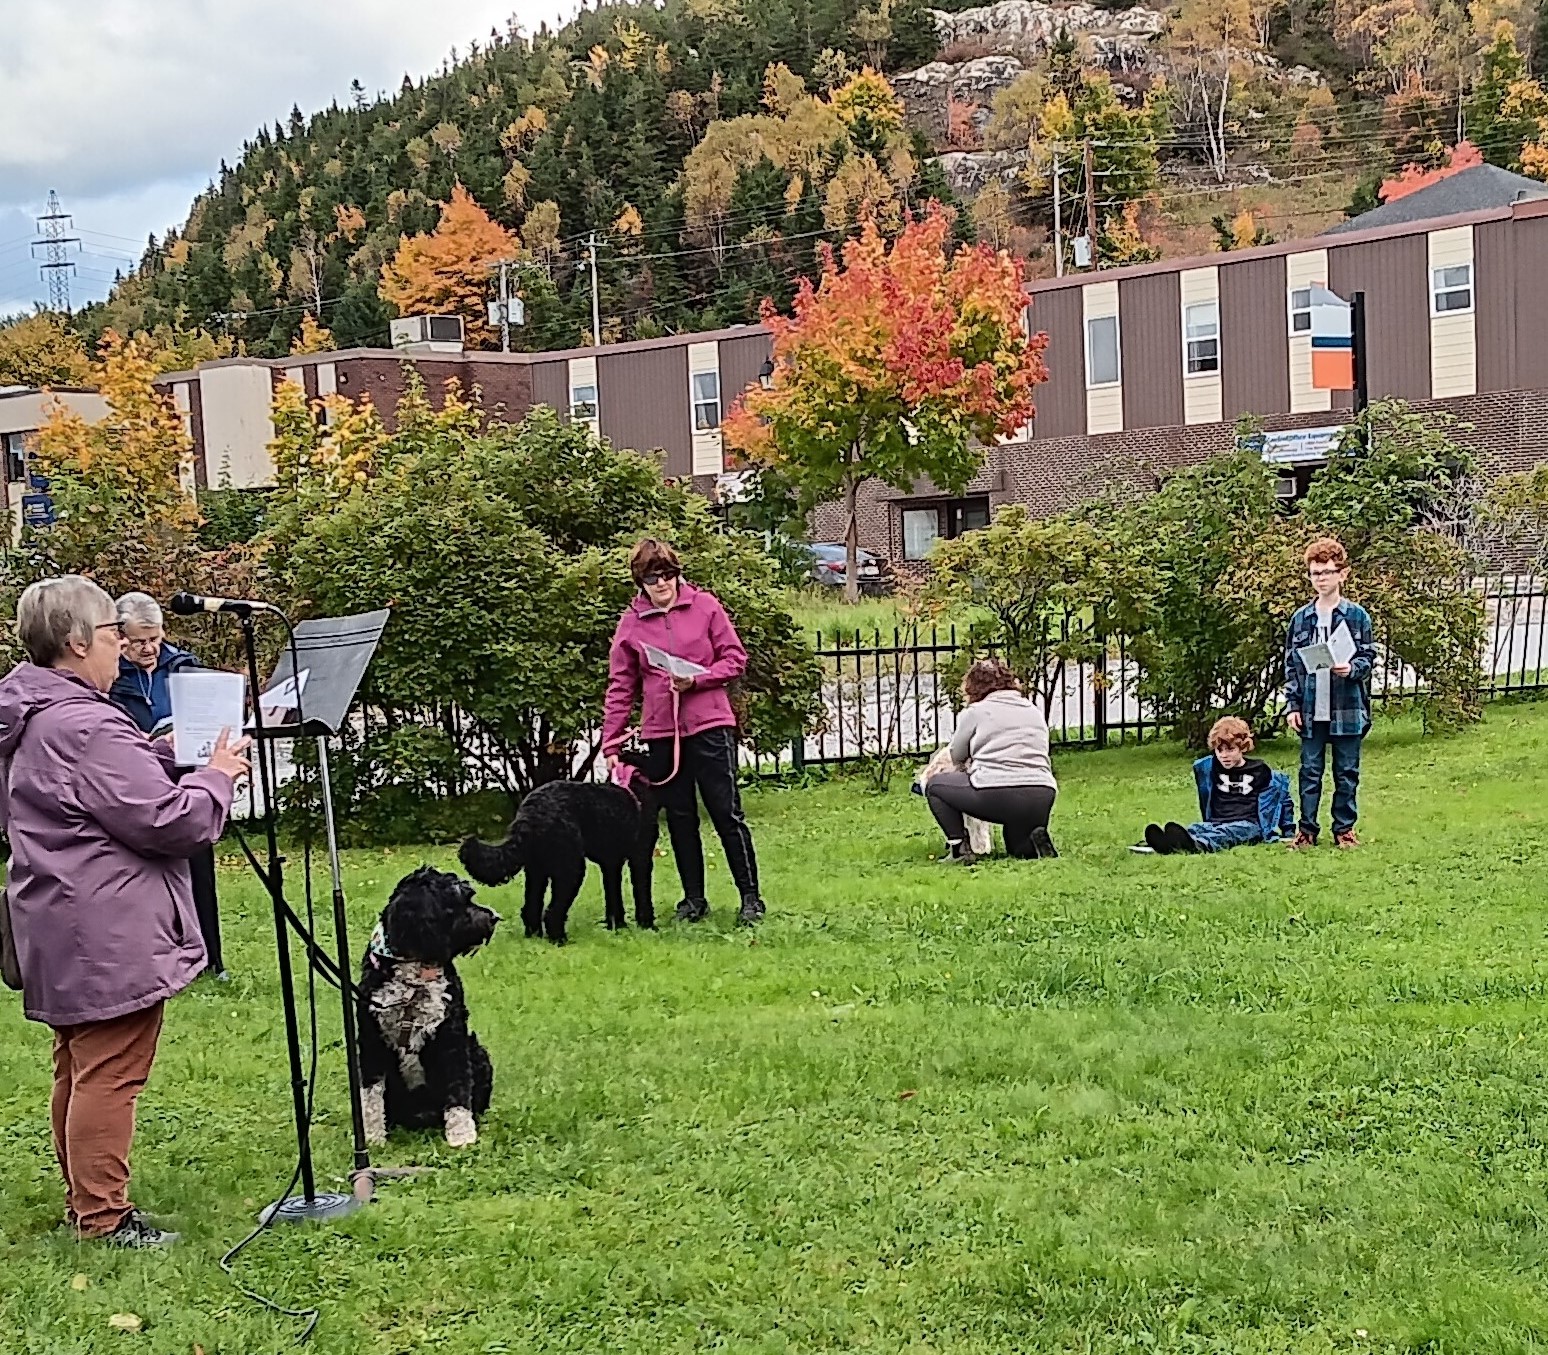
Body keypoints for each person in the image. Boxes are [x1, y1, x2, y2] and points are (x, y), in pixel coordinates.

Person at [0, 575, 250, 1248]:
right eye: (113, 632)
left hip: (54, 915)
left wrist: (159, 752)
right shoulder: (87, 723)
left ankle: (84, 1199)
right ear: (79, 641)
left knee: (77, 1065)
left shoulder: (34, 713)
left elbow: (96, 789)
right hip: (105, 926)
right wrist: (218, 776)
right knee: (110, 1072)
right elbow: (172, 822)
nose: (120, 646)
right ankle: (104, 1218)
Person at [601, 538, 766, 926]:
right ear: (639, 581)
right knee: (679, 816)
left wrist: (700, 680)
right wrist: (612, 740)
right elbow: (620, 686)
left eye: (668, 574)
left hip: (710, 724)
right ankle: (694, 899)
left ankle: (750, 897)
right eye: (652, 577)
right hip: (662, 732)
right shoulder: (630, 624)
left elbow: (735, 659)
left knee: (726, 812)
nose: (662, 583)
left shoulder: (706, 606)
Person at [108, 591, 227, 979]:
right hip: (134, 780)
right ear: (120, 637)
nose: (149, 648)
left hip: (184, 777)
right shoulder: (108, 674)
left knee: (198, 866)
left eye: (155, 638)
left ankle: (211, 959)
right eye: (139, 641)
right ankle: (157, 960)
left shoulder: (182, 667)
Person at [1283, 536, 1377, 849]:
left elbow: (1368, 656)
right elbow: (1292, 665)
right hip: (1311, 707)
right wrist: (1292, 705)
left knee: (1346, 771)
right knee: (1309, 772)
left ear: (1342, 573)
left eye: (1327, 571)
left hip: (1346, 705)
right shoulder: (1301, 619)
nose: (1321, 578)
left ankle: (1344, 830)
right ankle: (1306, 831)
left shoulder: (1357, 616)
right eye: (1315, 573)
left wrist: (1351, 669)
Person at [926, 658, 1058, 863]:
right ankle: (1034, 841)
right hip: (1042, 793)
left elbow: (957, 756)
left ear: (973, 687)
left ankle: (959, 848)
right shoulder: (1032, 709)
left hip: (997, 792)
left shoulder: (977, 711)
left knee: (936, 786)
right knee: (1018, 848)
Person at [1138, 716, 1294, 855]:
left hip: (1248, 824)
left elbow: (1283, 799)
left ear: (1243, 747)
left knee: (1229, 833)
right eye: (1220, 750)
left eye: (1231, 749)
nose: (1224, 756)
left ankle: (1199, 845)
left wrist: (1288, 831)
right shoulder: (1210, 767)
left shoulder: (1260, 770)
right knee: (1196, 828)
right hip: (1215, 821)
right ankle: (1169, 842)